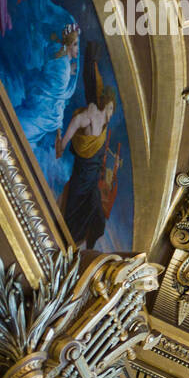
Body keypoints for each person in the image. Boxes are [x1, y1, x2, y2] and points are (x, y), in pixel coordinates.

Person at [55, 49, 117, 249]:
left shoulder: (103, 122)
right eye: (110, 109)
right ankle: (68, 239)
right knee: (77, 207)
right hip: (84, 173)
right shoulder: (90, 115)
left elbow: (94, 82)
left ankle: (85, 245)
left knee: (97, 213)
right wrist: (62, 143)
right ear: (105, 105)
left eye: (112, 111)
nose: (111, 114)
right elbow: (73, 126)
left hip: (92, 175)